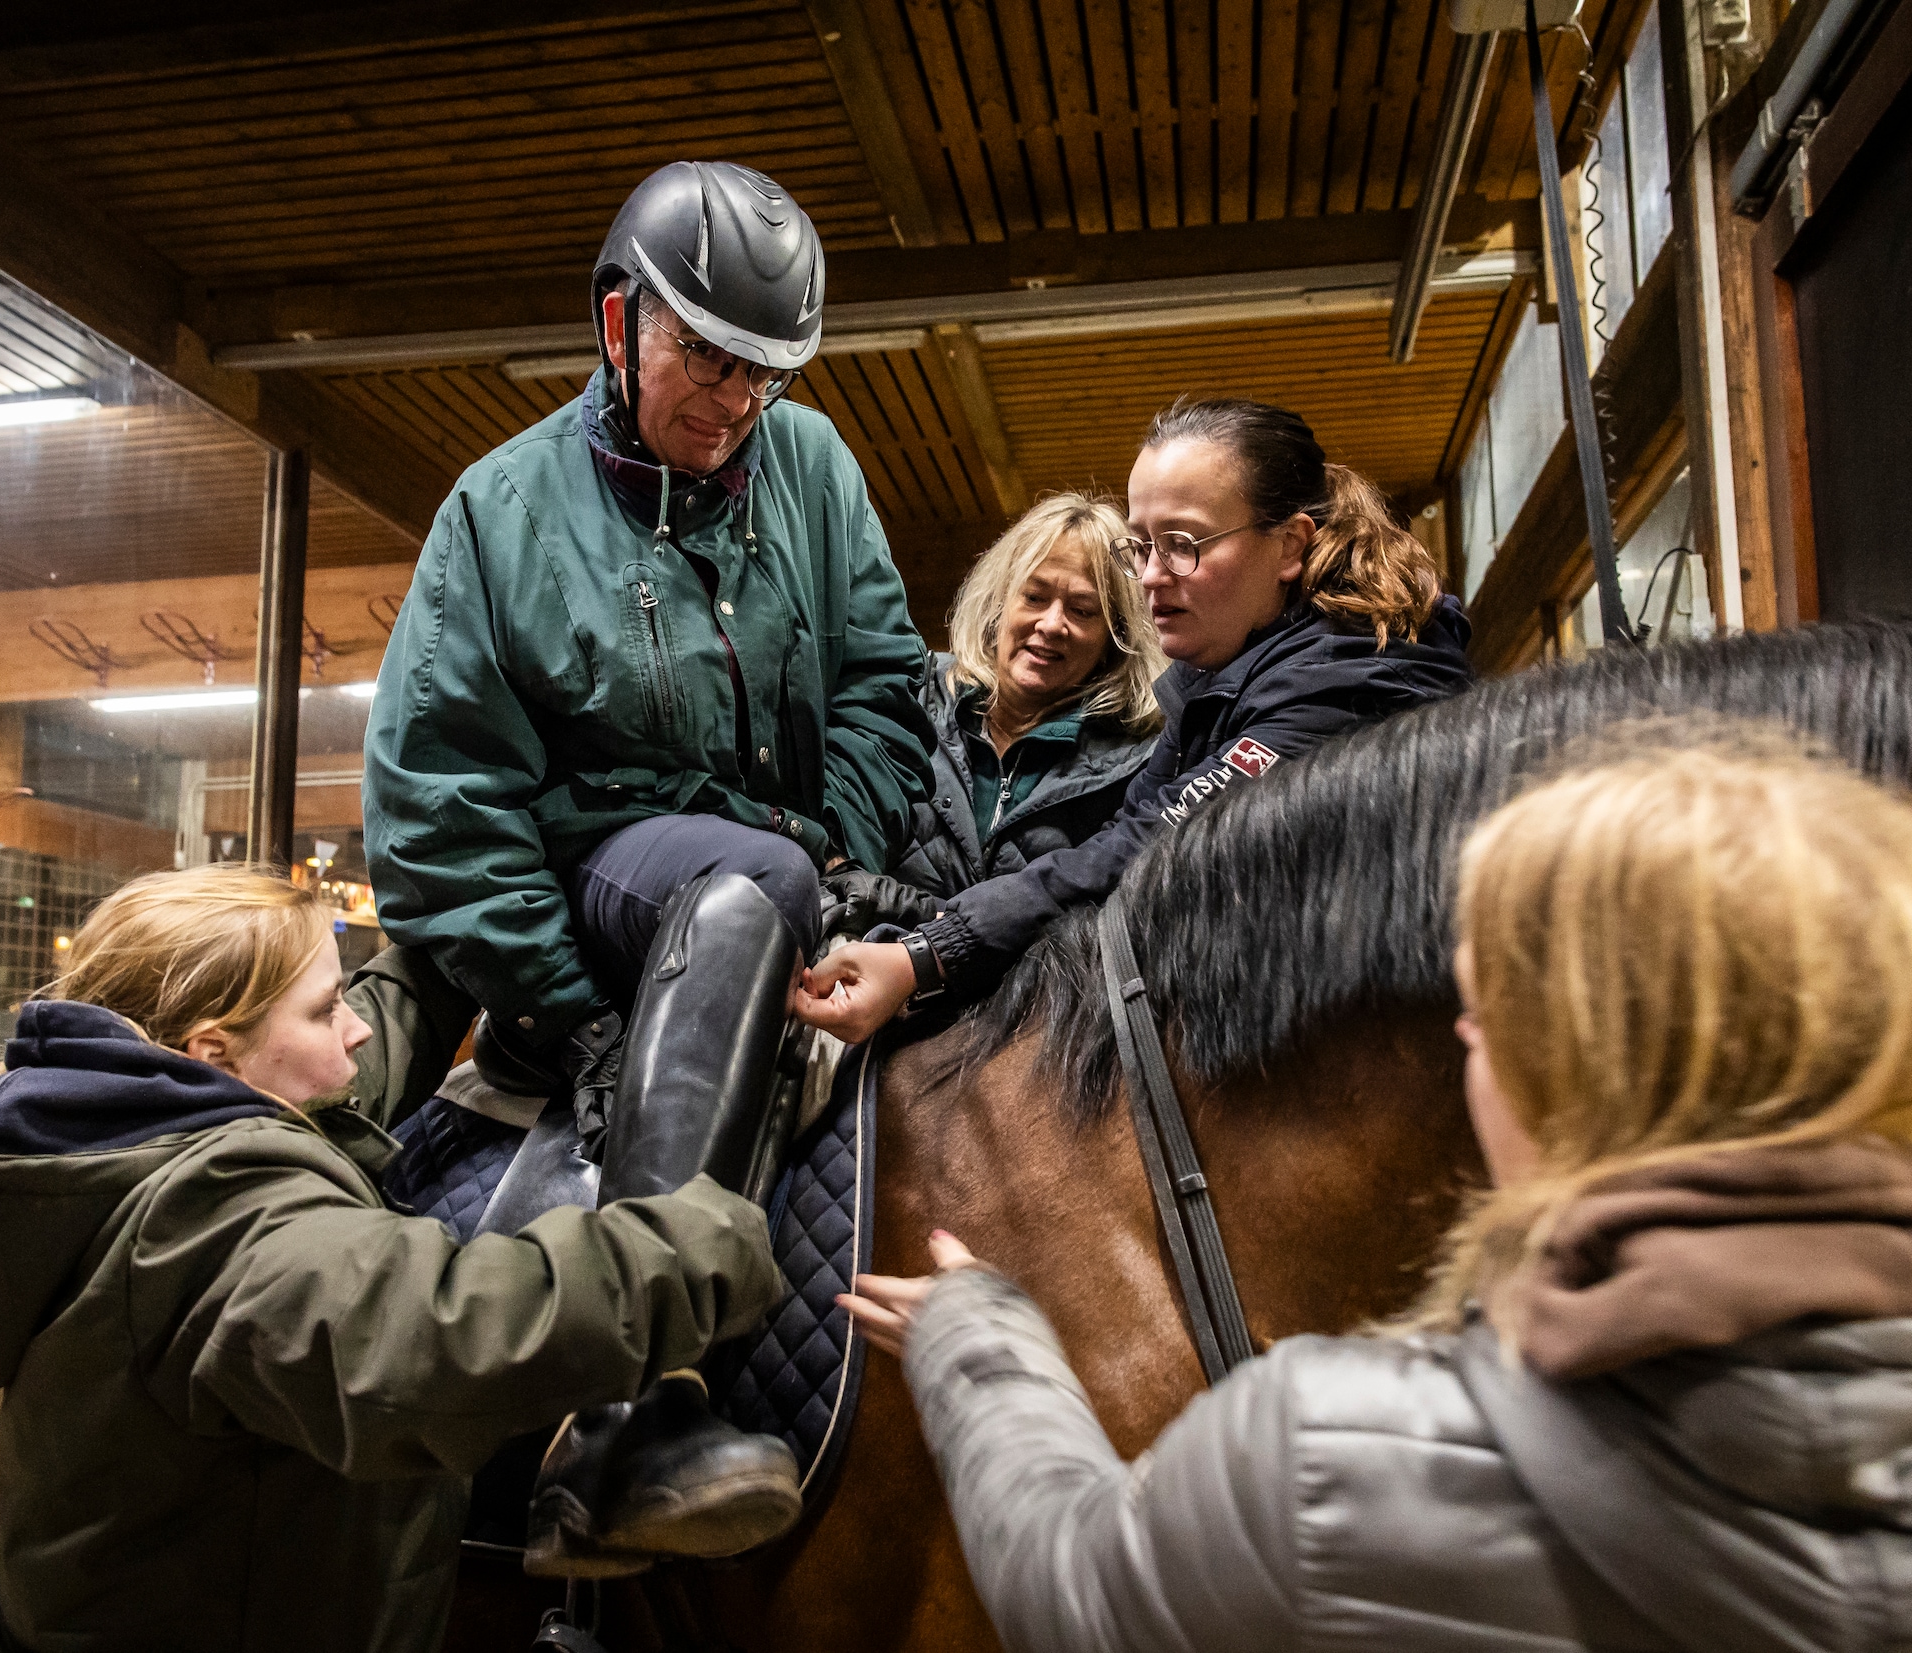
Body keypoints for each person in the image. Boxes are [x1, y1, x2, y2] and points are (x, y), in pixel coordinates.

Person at [841, 748, 1912, 1653]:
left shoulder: (1330, 1457)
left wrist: (981, 1339)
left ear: (1563, 1077)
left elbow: (1077, 1589)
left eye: (1484, 1022)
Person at [362, 161, 933, 1567]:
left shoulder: (814, 467)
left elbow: (881, 682)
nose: (736, 403)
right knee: (740, 884)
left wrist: (835, 841)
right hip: (591, 885)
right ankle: (628, 1406)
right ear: (619, 322)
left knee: (776, 882)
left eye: (765, 374)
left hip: (788, 864)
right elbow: (440, 800)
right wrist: (570, 1012)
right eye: (707, 358)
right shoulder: (498, 508)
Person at [0, 865, 782, 1653]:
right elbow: (444, 1333)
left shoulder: (113, 1130)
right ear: (214, 1050)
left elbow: (386, 1018)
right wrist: (713, 1235)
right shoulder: (208, 1224)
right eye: (325, 1007)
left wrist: (494, 893)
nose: (355, 1027)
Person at [796, 397, 1473, 1039]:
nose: (1150, 575)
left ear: (1291, 546)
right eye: (1142, 546)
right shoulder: (1217, 684)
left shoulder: (1350, 681)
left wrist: (926, 952)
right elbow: (1126, 841)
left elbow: (1148, 848)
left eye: (1183, 542)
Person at [830, 492, 1165, 937]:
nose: (1051, 624)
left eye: (1082, 610)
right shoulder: (907, 694)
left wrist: (922, 921)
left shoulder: (1140, 764)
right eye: (1034, 596)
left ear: (1114, 637)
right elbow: (837, 863)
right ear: (999, 603)